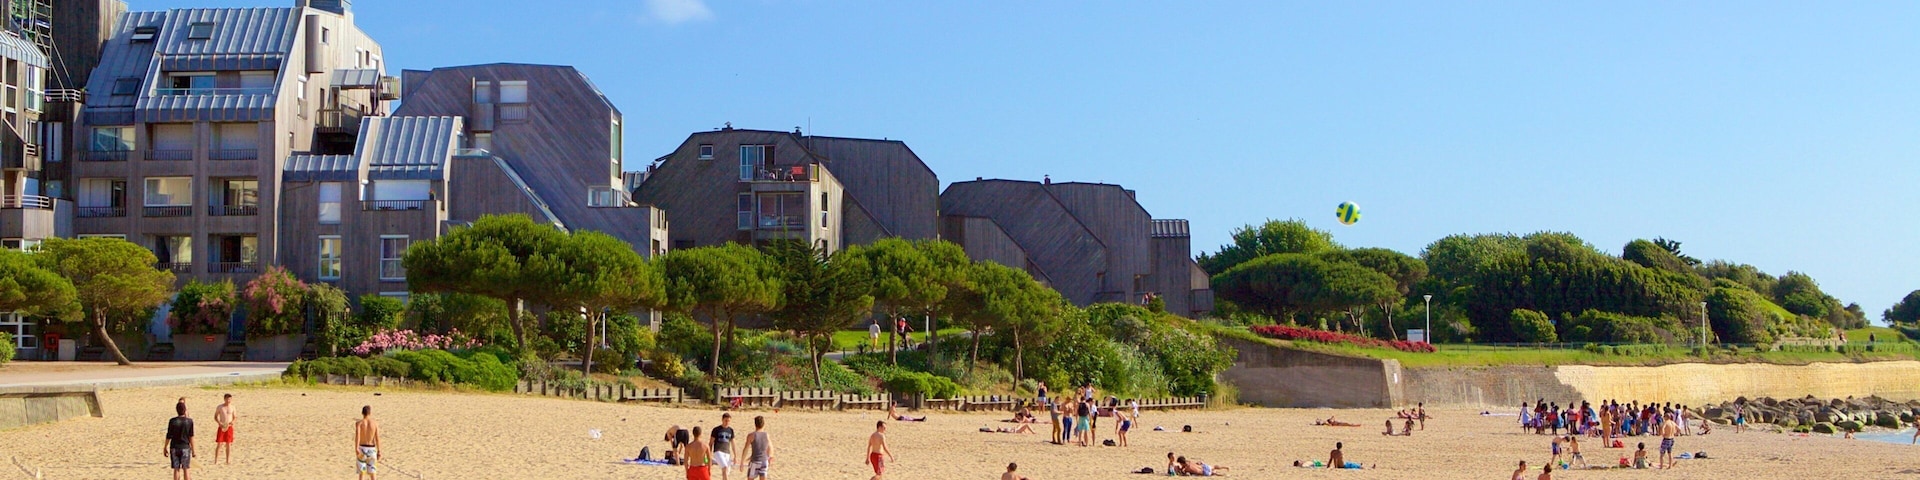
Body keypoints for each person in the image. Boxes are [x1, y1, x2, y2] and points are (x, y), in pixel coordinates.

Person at [164, 400, 195, 480]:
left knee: (176, 469)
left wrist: (165, 447)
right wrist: (193, 450)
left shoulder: (172, 421)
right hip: (185, 447)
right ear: (185, 410)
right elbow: (191, 436)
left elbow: (169, 435)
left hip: (174, 447)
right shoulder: (189, 421)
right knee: (186, 469)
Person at [740, 416, 771, 480]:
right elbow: (770, 448)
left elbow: (746, 449)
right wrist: (769, 457)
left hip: (755, 461)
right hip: (764, 461)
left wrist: (742, 461)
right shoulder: (766, 435)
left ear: (755, 424)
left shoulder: (751, 435)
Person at [355, 405, 380, 480]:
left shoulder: (359, 423)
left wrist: (356, 448)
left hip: (362, 448)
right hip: (371, 449)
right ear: (370, 413)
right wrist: (379, 450)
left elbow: (357, 436)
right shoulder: (375, 423)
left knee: (362, 473)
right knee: (373, 473)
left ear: (362, 413)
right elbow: (377, 438)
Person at [712, 414, 737, 480]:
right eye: (726, 420)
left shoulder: (731, 430)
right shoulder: (716, 429)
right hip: (718, 451)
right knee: (725, 467)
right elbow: (711, 443)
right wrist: (709, 454)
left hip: (727, 452)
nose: (727, 422)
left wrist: (735, 456)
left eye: (728, 421)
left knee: (726, 472)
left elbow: (733, 443)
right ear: (722, 420)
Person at [213, 393, 236, 465]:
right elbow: (215, 416)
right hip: (222, 426)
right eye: (227, 399)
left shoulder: (232, 407)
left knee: (228, 444)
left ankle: (227, 460)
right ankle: (216, 460)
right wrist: (219, 423)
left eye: (230, 399)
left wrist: (232, 422)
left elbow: (235, 417)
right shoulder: (220, 407)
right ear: (224, 399)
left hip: (229, 427)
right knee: (219, 444)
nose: (228, 401)